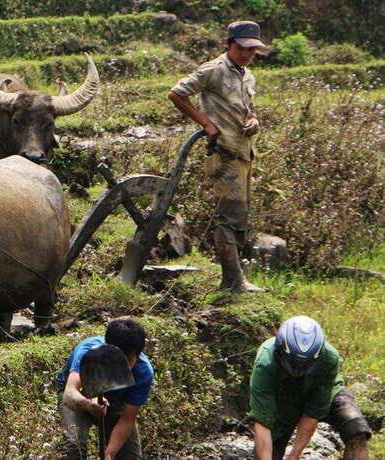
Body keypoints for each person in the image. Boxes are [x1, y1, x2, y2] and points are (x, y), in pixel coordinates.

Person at [168, 20, 268, 293]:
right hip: (223, 153)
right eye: (242, 48)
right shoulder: (214, 70)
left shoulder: (247, 75)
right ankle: (233, 281)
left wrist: (255, 121)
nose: (247, 54)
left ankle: (235, 279)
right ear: (228, 44)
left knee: (240, 216)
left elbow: (249, 109)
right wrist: (206, 123)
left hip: (244, 153)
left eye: (252, 50)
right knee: (229, 218)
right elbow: (177, 94)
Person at [249, 316, 371, 460]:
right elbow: (263, 421)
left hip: (323, 390)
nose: (298, 370)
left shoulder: (329, 358)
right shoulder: (266, 362)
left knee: (356, 430)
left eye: (305, 364)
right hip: (282, 401)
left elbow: (313, 412)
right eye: (294, 363)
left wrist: (294, 455)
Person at [54, 317, 154, 459]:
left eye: (128, 361)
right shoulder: (88, 354)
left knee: (129, 456)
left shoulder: (143, 372)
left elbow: (127, 419)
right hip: (79, 397)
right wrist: (88, 404)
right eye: (118, 360)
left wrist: (110, 453)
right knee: (73, 447)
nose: (122, 367)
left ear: (137, 356)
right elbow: (69, 393)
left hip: (114, 402)